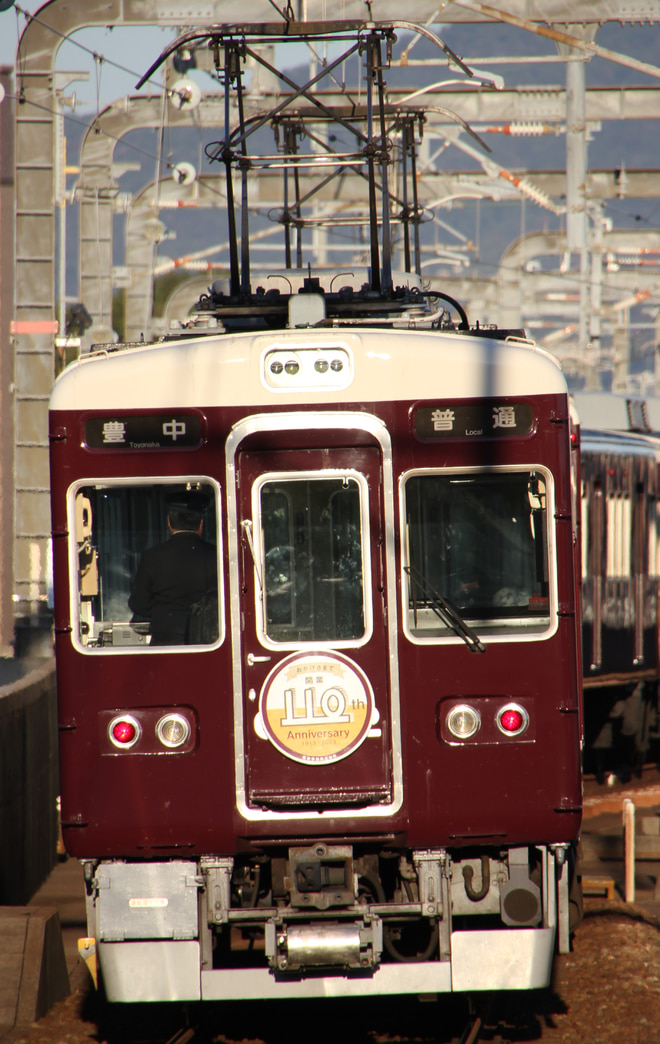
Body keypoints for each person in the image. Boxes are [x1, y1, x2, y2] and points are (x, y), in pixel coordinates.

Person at [128, 490, 218, 646]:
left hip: (165, 643)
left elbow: (138, 603)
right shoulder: (216, 556)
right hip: (208, 642)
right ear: (201, 524)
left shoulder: (152, 556)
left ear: (169, 522)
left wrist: (161, 613)